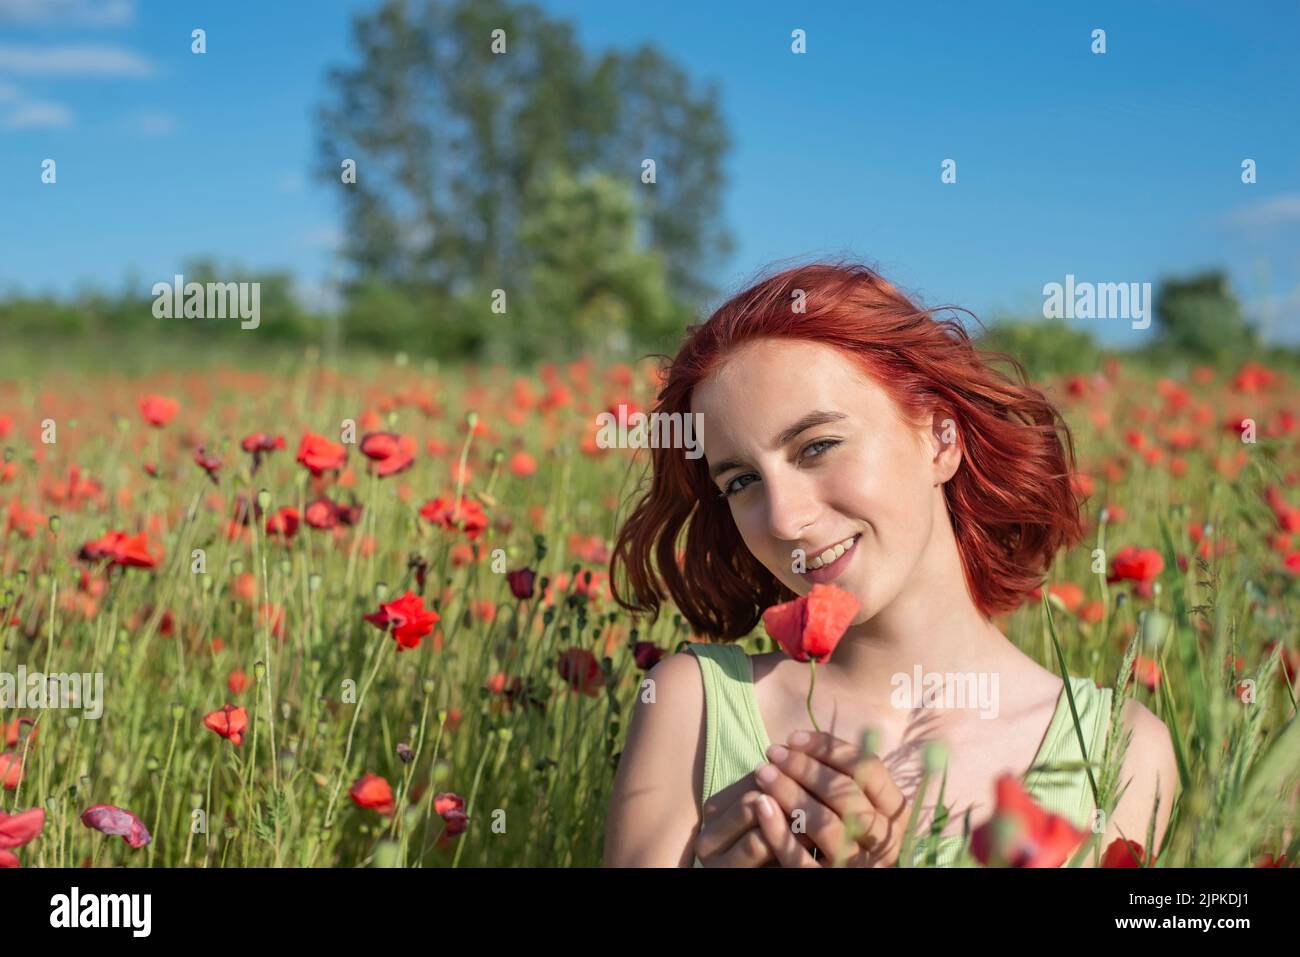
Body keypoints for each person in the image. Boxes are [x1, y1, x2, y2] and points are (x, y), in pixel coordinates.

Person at [602, 260, 1177, 867]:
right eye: (742, 480)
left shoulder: (1122, 750)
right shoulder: (690, 707)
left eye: (817, 446)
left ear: (940, 438)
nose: (783, 519)